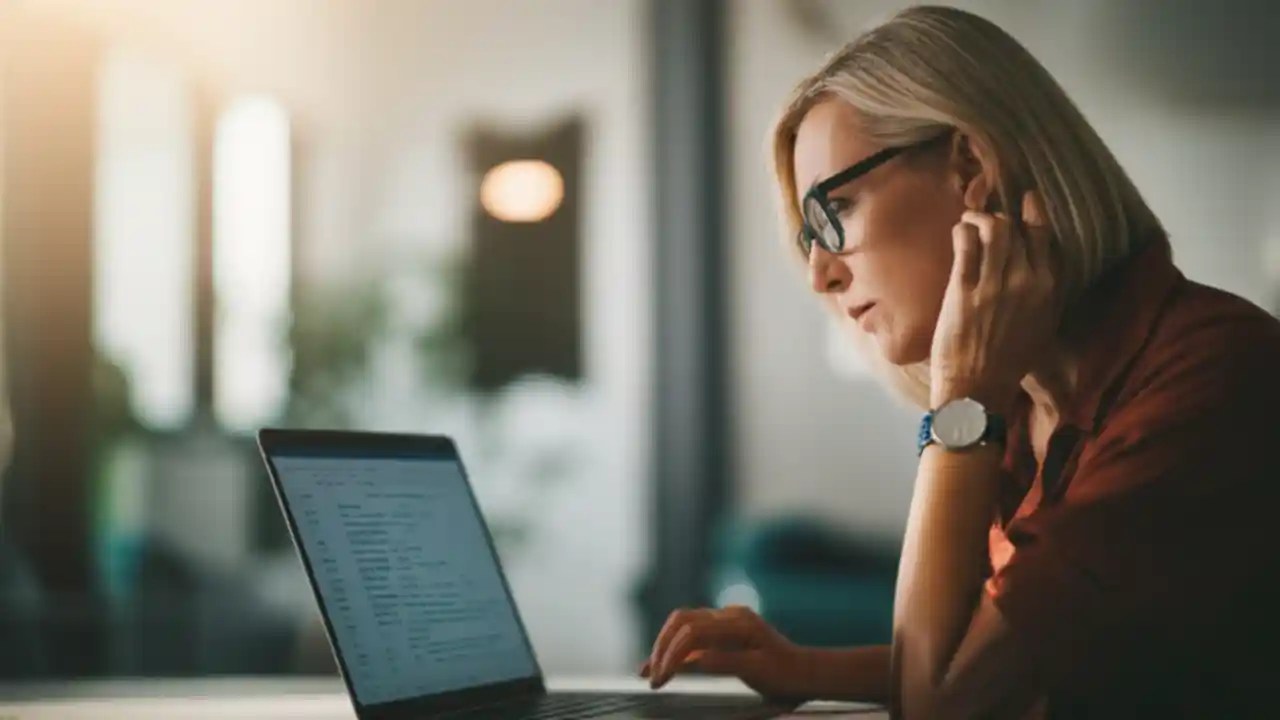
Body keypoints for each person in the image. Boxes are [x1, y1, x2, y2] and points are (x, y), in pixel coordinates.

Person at [639, 6, 1280, 718]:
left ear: (970, 167)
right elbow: (998, 659)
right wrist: (807, 667)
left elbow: (942, 705)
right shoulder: (1033, 404)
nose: (820, 273)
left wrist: (963, 404)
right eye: (808, 236)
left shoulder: (1213, 381)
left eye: (835, 209)